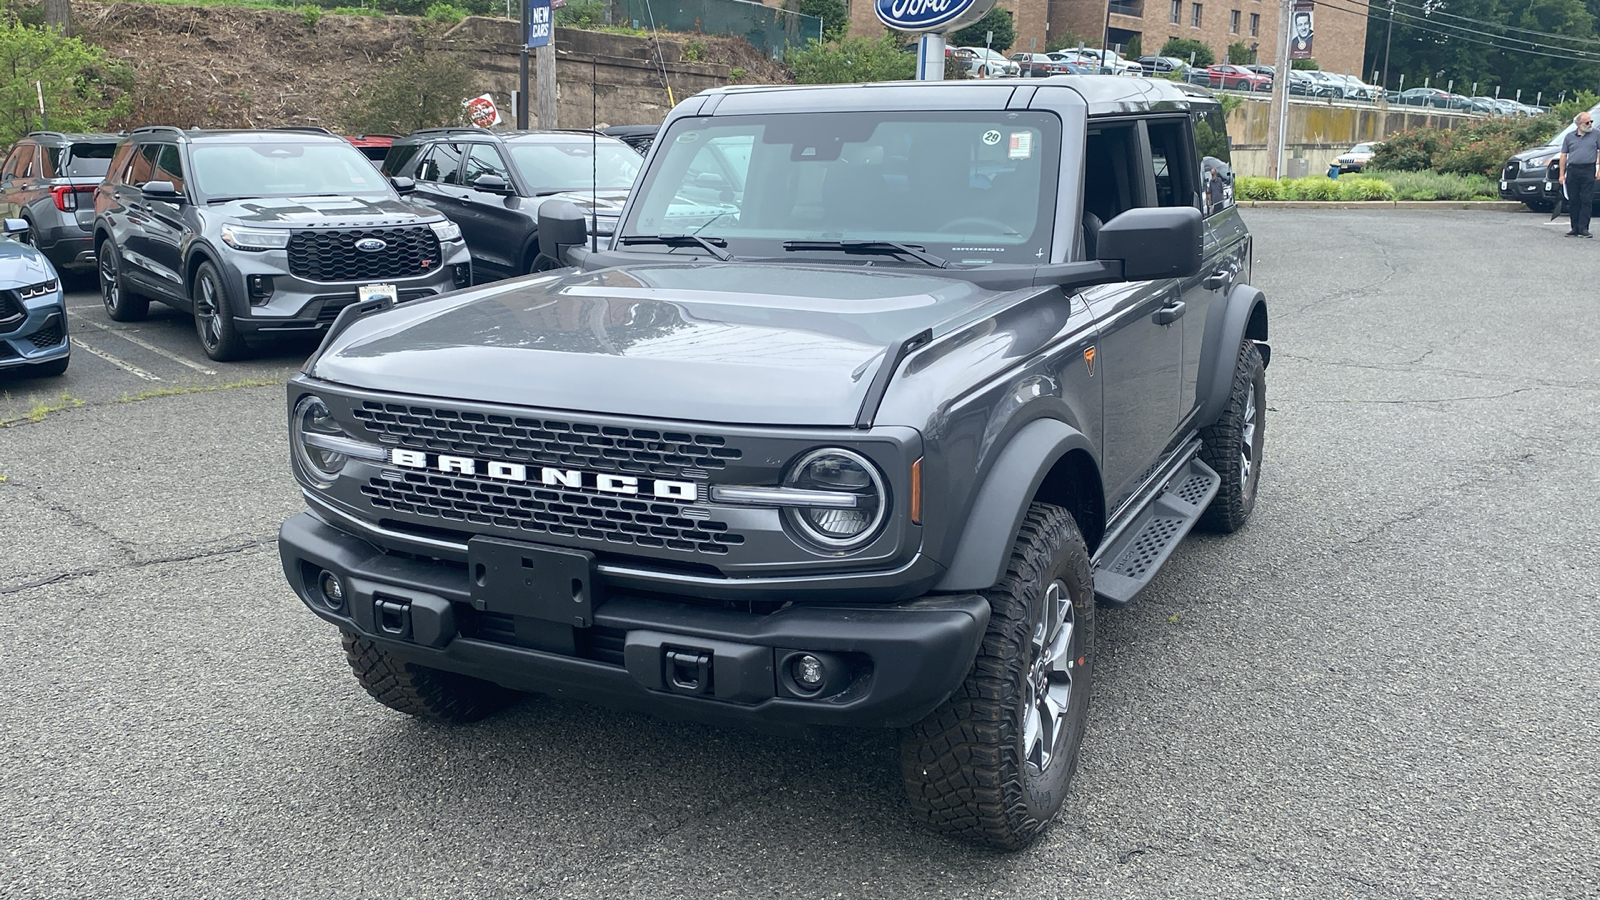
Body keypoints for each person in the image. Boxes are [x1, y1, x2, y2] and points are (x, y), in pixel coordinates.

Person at [1558, 111, 1599, 237]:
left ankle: (1584, 228)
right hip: (1573, 170)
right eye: (1587, 122)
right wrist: (1561, 174)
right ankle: (1574, 227)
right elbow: (1563, 155)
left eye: (1591, 121)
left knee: (1586, 199)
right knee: (1574, 200)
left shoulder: (1596, 134)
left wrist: (1599, 169)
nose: (1590, 124)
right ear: (1578, 124)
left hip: (1588, 169)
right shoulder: (1569, 137)